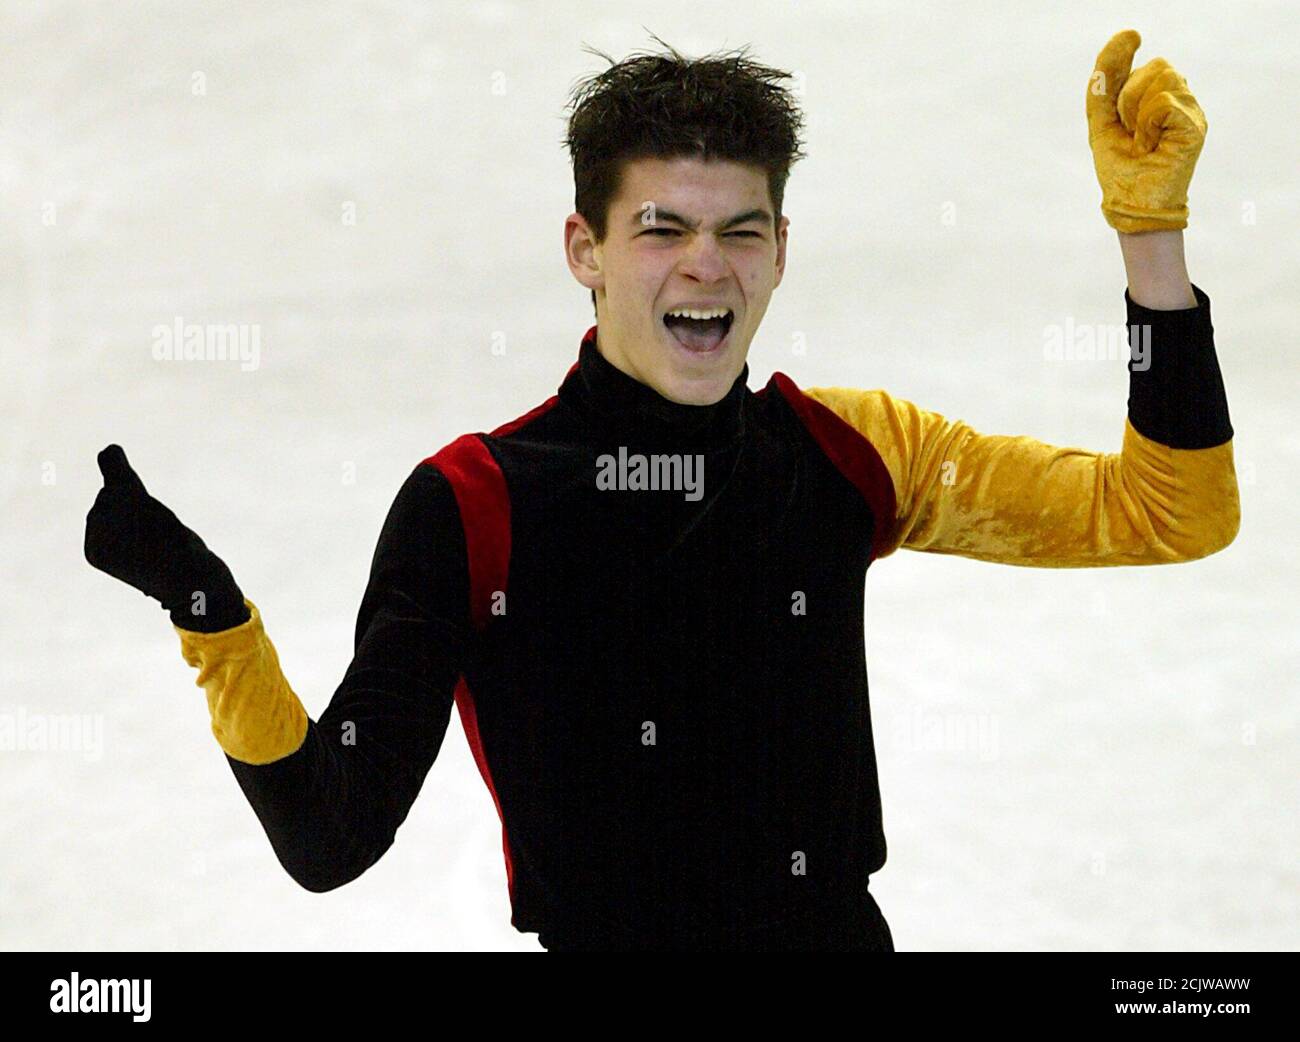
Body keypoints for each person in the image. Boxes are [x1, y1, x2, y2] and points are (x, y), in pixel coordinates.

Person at [84, 31, 1238, 951]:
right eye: (660, 229)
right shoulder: (474, 503)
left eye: (741, 230)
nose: (706, 264)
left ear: (780, 248)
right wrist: (210, 616)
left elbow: (1168, 514)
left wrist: (1150, 239)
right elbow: (329, 834)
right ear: (583, 248)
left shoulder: (850, 451)